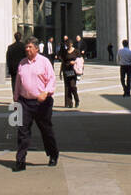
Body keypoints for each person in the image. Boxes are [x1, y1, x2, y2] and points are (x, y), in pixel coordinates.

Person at [13, 36, 59, 171]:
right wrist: (16, 96)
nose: (27, 49)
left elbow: (51, 79)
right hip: (24, 102)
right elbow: (18, 82)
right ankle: (20, 161)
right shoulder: (22, 63)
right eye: (26, 47)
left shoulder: (44, 62)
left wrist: (46, 92)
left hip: (42, 102)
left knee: (46, 130)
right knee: (22, 132)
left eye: (30, 47)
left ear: (36, 48)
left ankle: (53, 154)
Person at [59, 36, 80, 109]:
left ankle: (77, 100)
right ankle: (69, 103)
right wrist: (60, 72)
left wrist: (74, 62)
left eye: (68, 44)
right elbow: (63, 62)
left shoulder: (76, 51)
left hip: (73, 70)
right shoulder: (65, 52)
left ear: (71, 44)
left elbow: (80, 61)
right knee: (67, 87)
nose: (67, 46)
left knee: (72, 86)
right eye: (66, 44)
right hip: (66, 70)